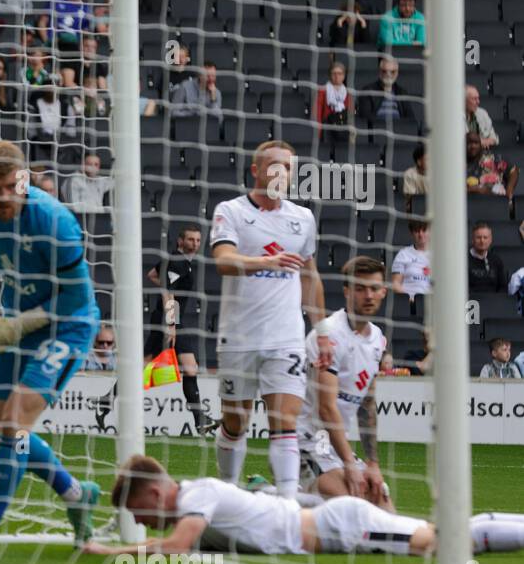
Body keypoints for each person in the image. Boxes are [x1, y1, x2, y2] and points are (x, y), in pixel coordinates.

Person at [0, 141, 102, 557]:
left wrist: (13, 328)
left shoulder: (54, 221)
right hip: (17, 323)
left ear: (22, 179)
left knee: (16, 423)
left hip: (67, 326)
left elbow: (75, 299)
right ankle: (76, 493)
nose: (4, 197)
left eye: (11, 186)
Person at [84, 454, 524, 558]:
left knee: (445, 545)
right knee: (445, 535)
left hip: (341, 528)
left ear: (157, 494)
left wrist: (111, 552)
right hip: (334, 523)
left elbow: (178, 547)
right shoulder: (196, 503)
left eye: (138, 510)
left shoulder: (197, 496)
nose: (139, 521)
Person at [211, 141, 326, 501]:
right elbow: (224, 260)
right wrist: (265, 262)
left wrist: (320, 331)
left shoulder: (302, 218)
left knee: (284, 422)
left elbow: (310, 276)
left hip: (286, 337)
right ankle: (230, 493)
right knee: (236, 423)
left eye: (287, 168)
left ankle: (288, 505)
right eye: (273, 166)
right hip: (239, 336)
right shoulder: (230, 211)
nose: (280, 173)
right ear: (256, 171)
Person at [294, 257, 393, 511]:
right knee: (355, 511)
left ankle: (294, 495)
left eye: (374, 289)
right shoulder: (329, 335)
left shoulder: (378, 339)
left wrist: (372, 464)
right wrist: (350, 465)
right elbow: (326, 409)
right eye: (360, 288)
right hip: (306, 442)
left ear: (383, 291)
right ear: (347, 291)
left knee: (386, 510)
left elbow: (367, 405)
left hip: (336, 448)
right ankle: (275, 493)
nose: (368, 296)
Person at [146, 225, 215, 434]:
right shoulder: (178, 262)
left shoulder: (180, 261)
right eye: (190, 240)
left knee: (145, 364)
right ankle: (199, 419)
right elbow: (169, 293)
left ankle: (105, 401)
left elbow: (152, 275)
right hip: (170, 319)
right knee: (190, 367)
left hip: (167, 317)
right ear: (180, 241)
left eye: (197, 240)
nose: (194, 244)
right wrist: (171, 324)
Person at [355, 56, 417, 124]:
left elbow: (411, 119)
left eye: (392, 72)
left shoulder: (402, 92)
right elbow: (365, 117)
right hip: (377, 130)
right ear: (379, 72)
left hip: (399, 130)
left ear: (397, 73)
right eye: (384, 71)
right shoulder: (367, 91)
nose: (388, 75)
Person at [466, 130, 518, 199]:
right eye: (469, 143)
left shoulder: (494, 158)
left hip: (497, 202)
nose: (473, 146)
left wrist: (509, 190)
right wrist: (474, 190)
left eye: (476, 143)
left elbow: (513, 171)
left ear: (480, 144)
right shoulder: (456, 164)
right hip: (470, 204)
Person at [390, 220, 431, 300]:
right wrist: (409, 300)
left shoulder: (440, 255)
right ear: (412, 233)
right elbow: (396, 284)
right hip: (410, 303)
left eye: (424, 230)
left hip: (435, 303)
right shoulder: (403, 254)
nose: (421, 234)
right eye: (417, 231)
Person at [468, 222, 507, 293]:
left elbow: (503, 287)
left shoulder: (496, 260)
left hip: (493, 302)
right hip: (471, 302)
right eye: (478, 237)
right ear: (472, 239)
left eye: (485, 237)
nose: (482, 241)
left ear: (490, 240)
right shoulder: (463, 261)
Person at [465, 85, 499, 149]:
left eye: (478, 98)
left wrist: (487, 141)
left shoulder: (482, 113)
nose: (478, 102)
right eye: (474, 99)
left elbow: (494, 137)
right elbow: (465, 141)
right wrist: (481, 142)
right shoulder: (455, 117)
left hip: (485, 153)